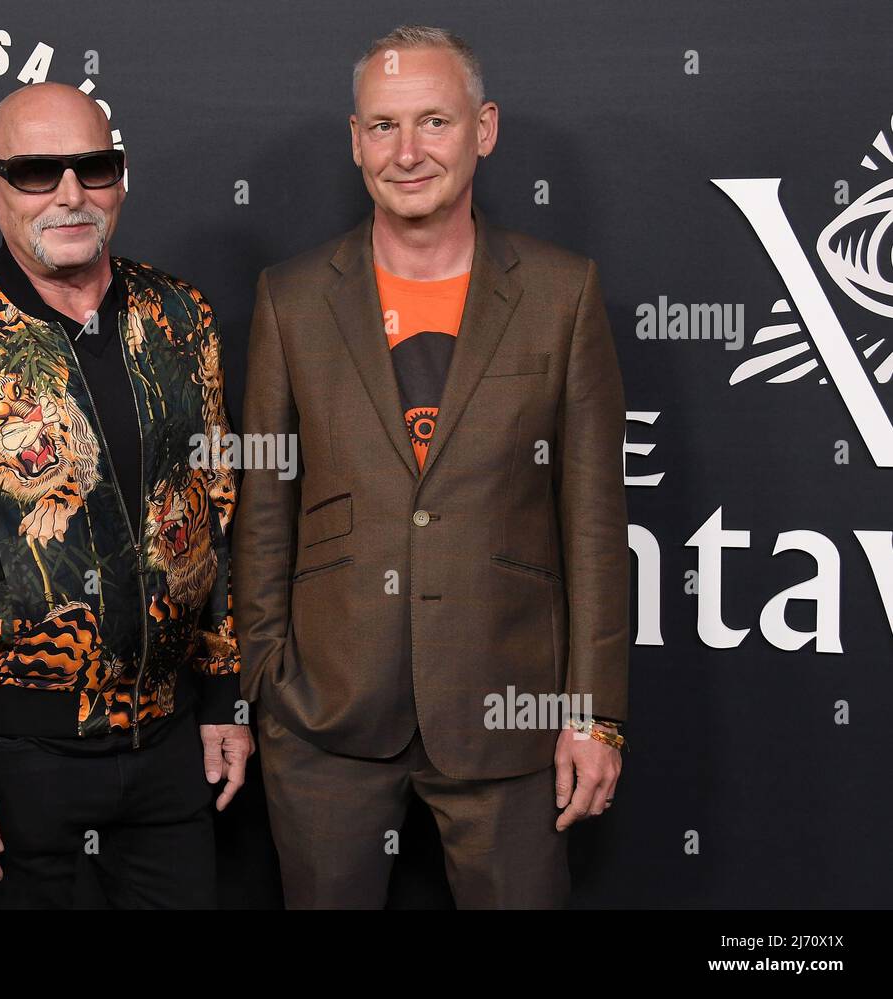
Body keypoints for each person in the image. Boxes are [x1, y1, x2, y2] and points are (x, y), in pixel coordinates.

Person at [234, 24, 630, 908]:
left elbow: (596, 522)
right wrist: (263, 680)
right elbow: (264, 505)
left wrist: (593, 711)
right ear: (355, 140)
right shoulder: (291, 297)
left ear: (484, 130)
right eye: (382, 127)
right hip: (324, 717)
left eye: (434, 123)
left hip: (511, 712)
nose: (407, 152)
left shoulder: (563, 292)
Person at [0, 82, 252, 909]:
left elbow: (216, 515)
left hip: (169, 751)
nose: (71, 195)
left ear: (120, 178)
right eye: (38, 172)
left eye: (93, 167)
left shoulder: (183, 318)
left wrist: (224, 695)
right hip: (16, 770)